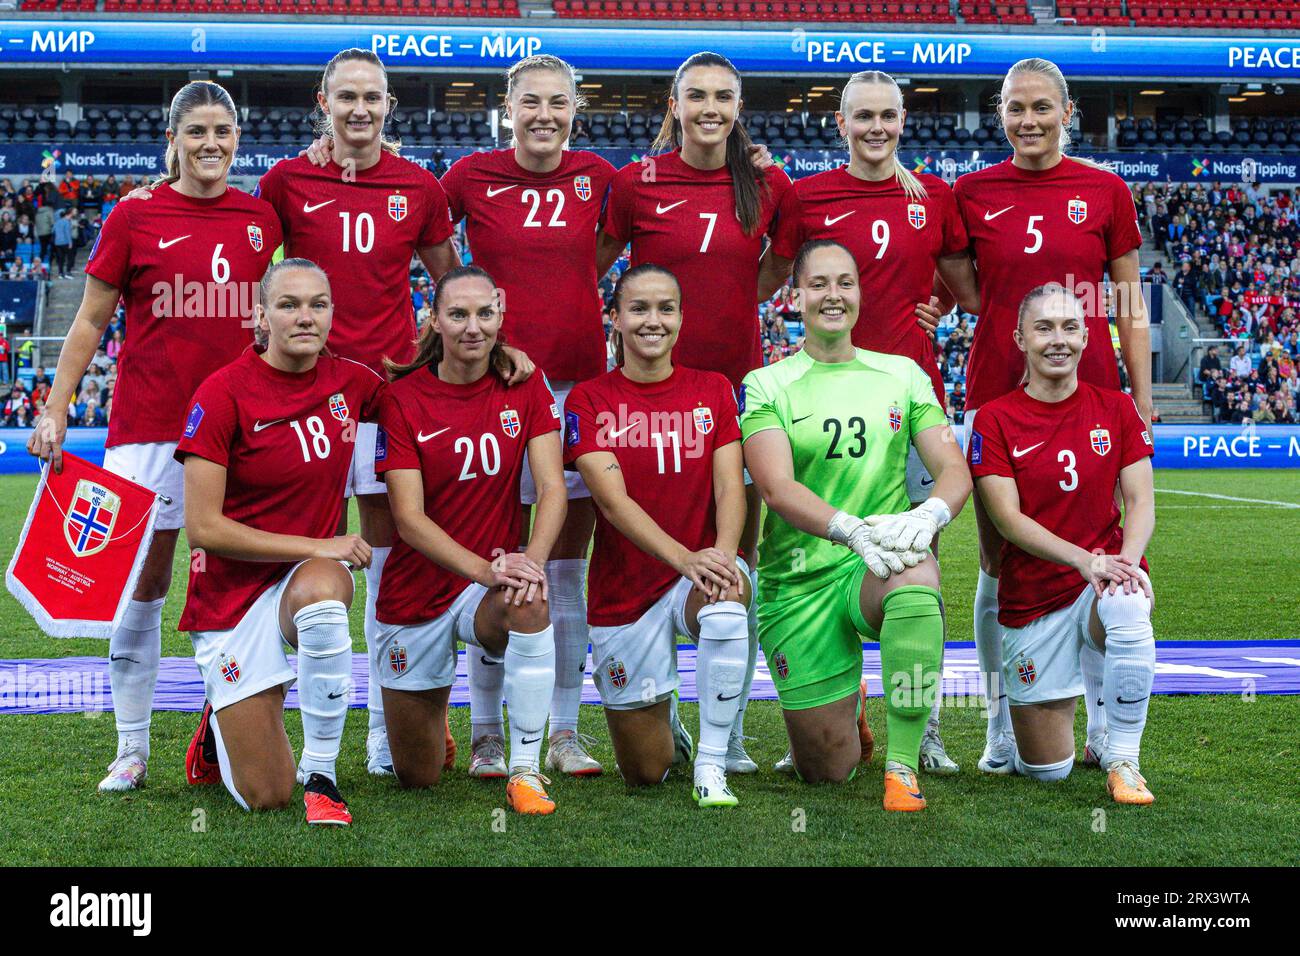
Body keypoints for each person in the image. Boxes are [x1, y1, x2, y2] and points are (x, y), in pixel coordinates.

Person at [263, 49, 536, 777]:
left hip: (384, 398)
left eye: (372, 98)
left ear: (389, 107)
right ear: (322, 103)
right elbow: (240, 254)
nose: (359, 110)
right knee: (295, 545)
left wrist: (496, 345)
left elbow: (454, 280)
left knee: (390, 549)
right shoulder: (287, 179)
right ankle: (245, 702)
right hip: (304, 398)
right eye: (346, 97)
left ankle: (392, 730)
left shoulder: (416, 186)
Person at [27, 80, 282, 793]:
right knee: (144, 582)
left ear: (237, 139)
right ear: (170, 140)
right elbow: (88, 322)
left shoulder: (260, 218)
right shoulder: (133, 216)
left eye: (222, 132)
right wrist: (55, 408)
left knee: (241, 580)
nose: (210, 145)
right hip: (147, 429)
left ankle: (222, 732)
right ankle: (131, 749)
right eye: (196, 132)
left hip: (242, 433)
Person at [755, 70, 978, 776]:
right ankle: (839, 705)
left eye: (887, 116)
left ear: (903, 121)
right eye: (863, 117)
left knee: (917, 562)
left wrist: (935, 301)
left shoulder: (932, 196)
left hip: (904, 401)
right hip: (819, 399)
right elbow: (768, 276)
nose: (876, 128)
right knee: (823, 545)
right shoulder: (809, 195)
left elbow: (972, 284)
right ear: (841, 124)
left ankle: (927, 727)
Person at [949, 58, 1147, 775]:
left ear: (1069, 113)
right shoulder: (970, 191)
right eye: (1013, 108)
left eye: (1040, 107)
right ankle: (999, 723)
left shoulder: (1105, 189)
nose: (1027, 120)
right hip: (996, 401)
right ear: (999, 114)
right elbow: (962, 286)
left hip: (1090, 399)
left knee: (1106, 548)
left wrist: (1142, 395)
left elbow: (1127, 304)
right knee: (999, 557)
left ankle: (1105, 729)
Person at [597, 50, 790, 774]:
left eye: (724, 97)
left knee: (736, 557)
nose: (710, 108)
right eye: (696, 96)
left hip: (736, 392)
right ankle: (655, 699)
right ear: (673, 105)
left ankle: (727, 729)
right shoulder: (634, 182)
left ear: (739, 108)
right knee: (637, 543)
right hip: (645, 398)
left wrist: (738, 294)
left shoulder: (767, 187)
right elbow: (594, 261)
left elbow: (774, 267)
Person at [741, 240, 971, 810]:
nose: (833, 295)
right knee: (828, 772)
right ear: (796, 297)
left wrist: (930, 514)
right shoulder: (766, 384)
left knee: (917, 578)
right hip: (798, 582)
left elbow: (952, 469)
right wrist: (851, 529)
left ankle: (903, 766)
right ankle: (853, 707)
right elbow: (776, 488)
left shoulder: (903, 375)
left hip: (878, 566)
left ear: (860, 294)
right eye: (818, 284)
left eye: (845, 282)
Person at [438, 54, 617, 778]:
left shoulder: (601, 177)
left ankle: (564, 731)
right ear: (507, 108)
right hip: (492, 392)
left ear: (576, 109)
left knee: (564, 572)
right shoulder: (469, 175)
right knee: (496, 568)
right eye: (530, 102)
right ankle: (486, 731)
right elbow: (421, 241)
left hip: (576, 392)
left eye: (558, 102)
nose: (545, 114)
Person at [178, 259, 384, 825]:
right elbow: (204, 529)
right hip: (228, 601)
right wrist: (317, 544)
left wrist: (500, 355)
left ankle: (323, 775)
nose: (304, 316)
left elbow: (430, 388)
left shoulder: (353, 383)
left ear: (332, 315)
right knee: (266, 795)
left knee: (324, 601)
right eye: (289, 304)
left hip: (303, 582)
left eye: (318, 304)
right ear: (260, 314)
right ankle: (219, 719)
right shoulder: (221, 393)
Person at [372, 265, 567, 814]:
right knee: (418, 777)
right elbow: (408, 519)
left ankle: (526, 771)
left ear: (501, 316)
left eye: (485, 313)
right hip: (417, 593)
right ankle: (432, 725)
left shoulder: (525, 383)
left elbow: (552, 487)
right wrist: (487, 569)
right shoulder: (403, 398)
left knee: (531, 599)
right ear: (433, 319)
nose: (472, 327)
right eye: (458, 314)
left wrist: (530, 561)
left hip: (491, 588)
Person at [566, 263, 752, 806]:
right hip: (626, 590)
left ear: (681, 318)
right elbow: (612, 500)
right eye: (639, 308)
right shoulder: (589, 399)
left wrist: (720, 555)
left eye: (666, 308)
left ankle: (713, 765)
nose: (654, 320)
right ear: (615, 318)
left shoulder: (713, 389)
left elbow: (730, 488)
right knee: (646, 772)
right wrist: (684, 558)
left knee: (724, 602)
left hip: (699, 568)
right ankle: (667, 719)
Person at [967, 284, 1156, 804]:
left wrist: (1126, 562)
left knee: (1128, 600)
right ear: (1020, 338)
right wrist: (1084, 560)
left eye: (1070, 327)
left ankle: (1122, 757)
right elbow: (1007, 519)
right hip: (1034, 597)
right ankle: (1055, 726)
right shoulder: (994, 419)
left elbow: (1140, 502)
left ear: (1087, 336)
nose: (1059, 340)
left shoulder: (1116, 408)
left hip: (1099, 583)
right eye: (1044, 328)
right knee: (1046, 771)